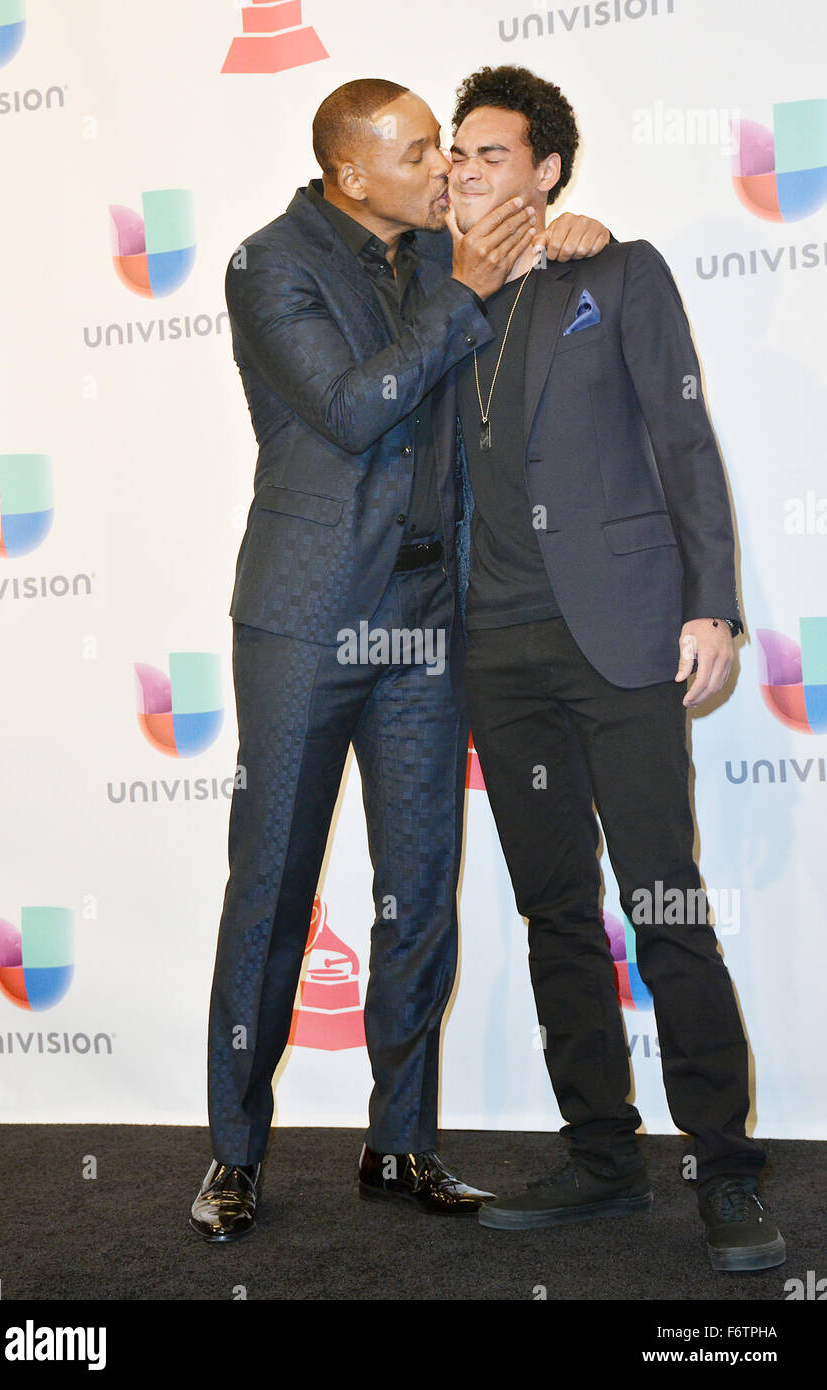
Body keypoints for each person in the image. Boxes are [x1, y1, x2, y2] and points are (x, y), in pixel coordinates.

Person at [189, 77, 610, 1241]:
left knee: (416, 892)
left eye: (445, 147)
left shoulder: (440, 256)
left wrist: (576, 233)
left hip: (426, 620)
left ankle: (402, 1143)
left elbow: (538, 281)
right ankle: (233, 1153)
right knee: (271, 887)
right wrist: (467, 286)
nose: (444, 170)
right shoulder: (266, 264)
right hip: (307, 617)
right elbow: (352, 405)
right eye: (419, 151)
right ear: (347, 175)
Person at [441, 64, 785, 1272]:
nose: (466, 170)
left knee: (662, 898)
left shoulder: (615, 268)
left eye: (492, 154)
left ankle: (726, 1167)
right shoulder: (435, 300)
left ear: (545, 170)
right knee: (551, 911)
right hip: (493, 647)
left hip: (621, 634)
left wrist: (712, 606)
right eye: (455, 154)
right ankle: (598, 1155)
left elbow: (682, 437)